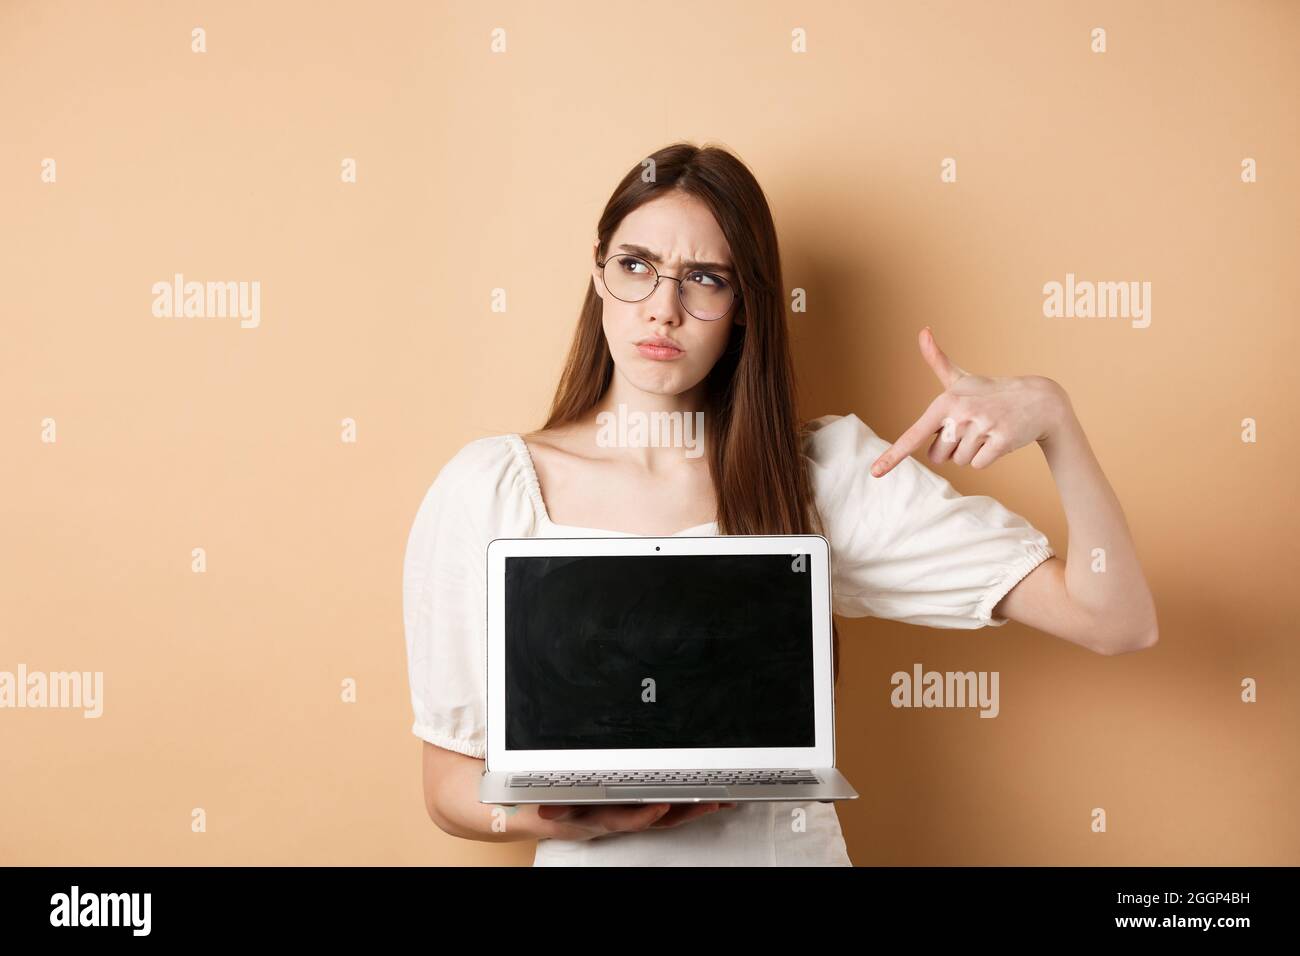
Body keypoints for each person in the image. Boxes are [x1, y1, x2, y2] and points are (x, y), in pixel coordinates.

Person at [403, 142, 1159, 866]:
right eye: (636, 266)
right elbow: (447, 788)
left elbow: (1114, 620)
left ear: (743, 306)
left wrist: (1055, 419)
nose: (663, 308)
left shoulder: (820, 478)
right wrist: (581, 820)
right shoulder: (489, 487)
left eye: (705, 278)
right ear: (599, 276)